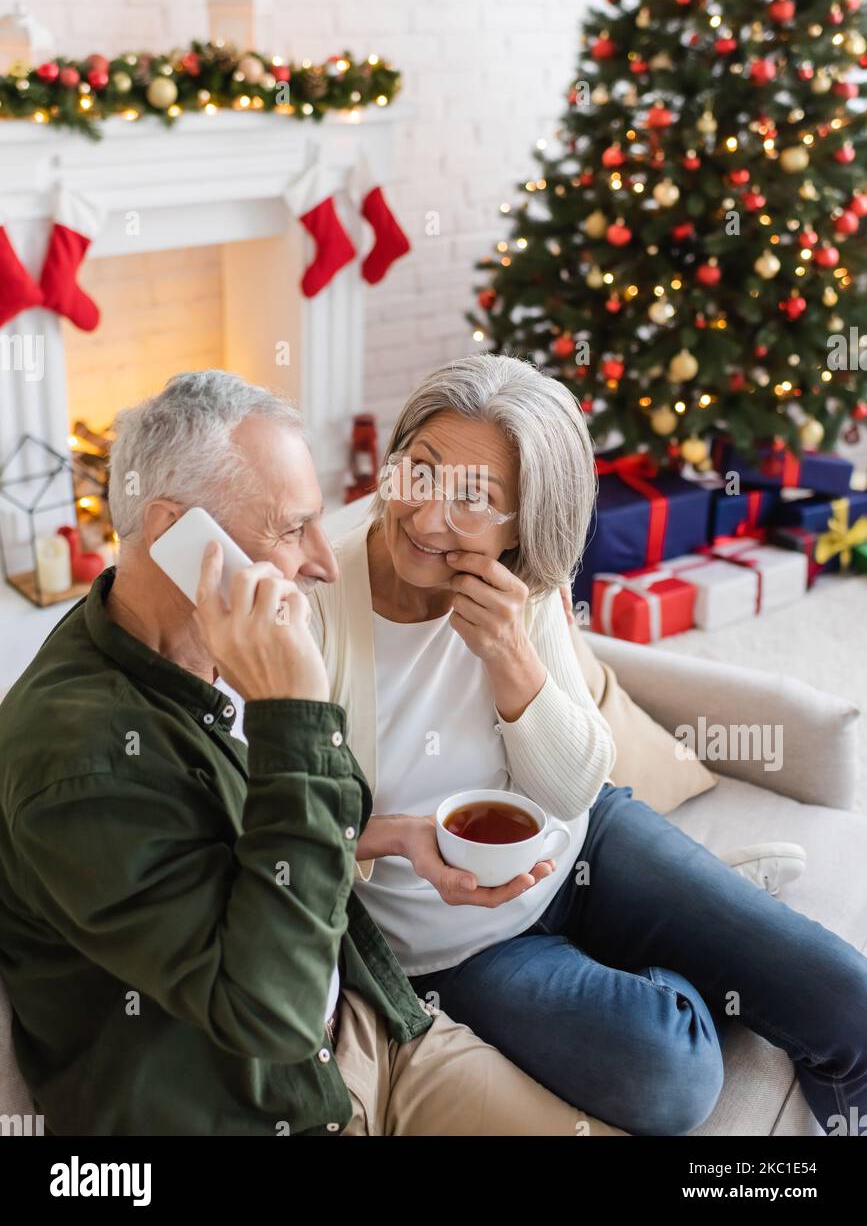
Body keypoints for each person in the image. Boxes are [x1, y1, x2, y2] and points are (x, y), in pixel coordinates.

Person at [0, 370, 618, 1138]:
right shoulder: (84, 765)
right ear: (173, 536)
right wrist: (295, 712)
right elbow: (272, 1013)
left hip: (367, 1020)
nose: (325, 564)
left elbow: (276, 852)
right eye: (292, 529)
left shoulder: (212, 649)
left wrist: (391, 836)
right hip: (253, 1103)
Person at [309, 353, 867, 1136]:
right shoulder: (308, 592)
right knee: (669, 1076)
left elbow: (571, 789)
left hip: (582, 844)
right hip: (457, 945)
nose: (427, 515)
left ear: (521, 526)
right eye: (419, 471)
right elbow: (275, 821)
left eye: (474, 498)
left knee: (847, 998)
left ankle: (694, 935)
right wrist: (398, 839)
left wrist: (512, 660)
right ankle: (699, 951)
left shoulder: (519, 582)